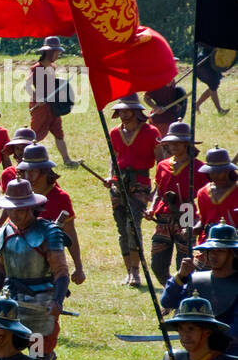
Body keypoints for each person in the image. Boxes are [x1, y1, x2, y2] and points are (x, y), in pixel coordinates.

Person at [0, 178, 70, 360]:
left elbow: (61, 272)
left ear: (32, 208)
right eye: (13, 209)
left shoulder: (48, 232)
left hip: (39, 306)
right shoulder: (3, 233)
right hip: (10, 304)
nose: (18, 214)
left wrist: (57, 300)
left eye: (22, 209)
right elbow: (1, 269)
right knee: (4, 357)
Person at [102, 95, 161, 287]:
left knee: (132, 227)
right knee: (122, 229)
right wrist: (110, 177)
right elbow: (114, 157)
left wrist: (156, 191)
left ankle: (136, 272)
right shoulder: (114, 132)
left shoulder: (151, 132)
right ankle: (128, 271)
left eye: (127, 111)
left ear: (136, 111)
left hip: (140, 184)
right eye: (121, 111)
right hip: (119, 184)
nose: (123, 115)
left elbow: (161, 162)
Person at [16, 143, 86, 287]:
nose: (28, 176)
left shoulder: (61, 198)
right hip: (21, 259)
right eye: (26, 171)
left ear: (45, 171)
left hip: (49, 260)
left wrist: (78, 267)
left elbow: (70, 232)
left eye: (33, 171)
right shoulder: (22, 194)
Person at [148, 122, 206, 286]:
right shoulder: (162, 165)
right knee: (157, 264)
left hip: (187, 215)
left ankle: (182, 295)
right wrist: (152, 209)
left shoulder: (200, 168)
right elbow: (158, 192)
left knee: (185, 262)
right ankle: (172, 290)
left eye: (177, 142)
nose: (173, 146)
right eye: (170, 142)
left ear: (187, 143)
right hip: (164, 216)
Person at [160, 224, 238, 340]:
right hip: (197, 349)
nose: (213, 255)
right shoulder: (197, 280)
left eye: (220, 251)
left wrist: (209, 339)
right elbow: (168, 302)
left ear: (232, 254)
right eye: (211, 251)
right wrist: (181, 276)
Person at [26, 36, 77, 166]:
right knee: (34, 135)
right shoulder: (37, 68)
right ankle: (25, 159)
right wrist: (39, 98)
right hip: (40, 107)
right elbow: (27, 85)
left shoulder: (52, 67)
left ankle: (67, 160)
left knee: (58, 133)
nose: (58, 54)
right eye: (56, 52)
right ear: (49, 52)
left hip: (52, 105)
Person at [195, 147, 238, 232]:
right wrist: (193, 230)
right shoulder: (202, 193)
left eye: (218, 172)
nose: (214, 175)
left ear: (227, 171)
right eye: (211, 172)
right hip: (208, 240)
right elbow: (203, 221)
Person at [196, 47, 230, 116]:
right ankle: (219, 110)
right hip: (203, 64)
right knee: (213, 85)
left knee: (214, 85)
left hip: (211, 63)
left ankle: (196, 105)